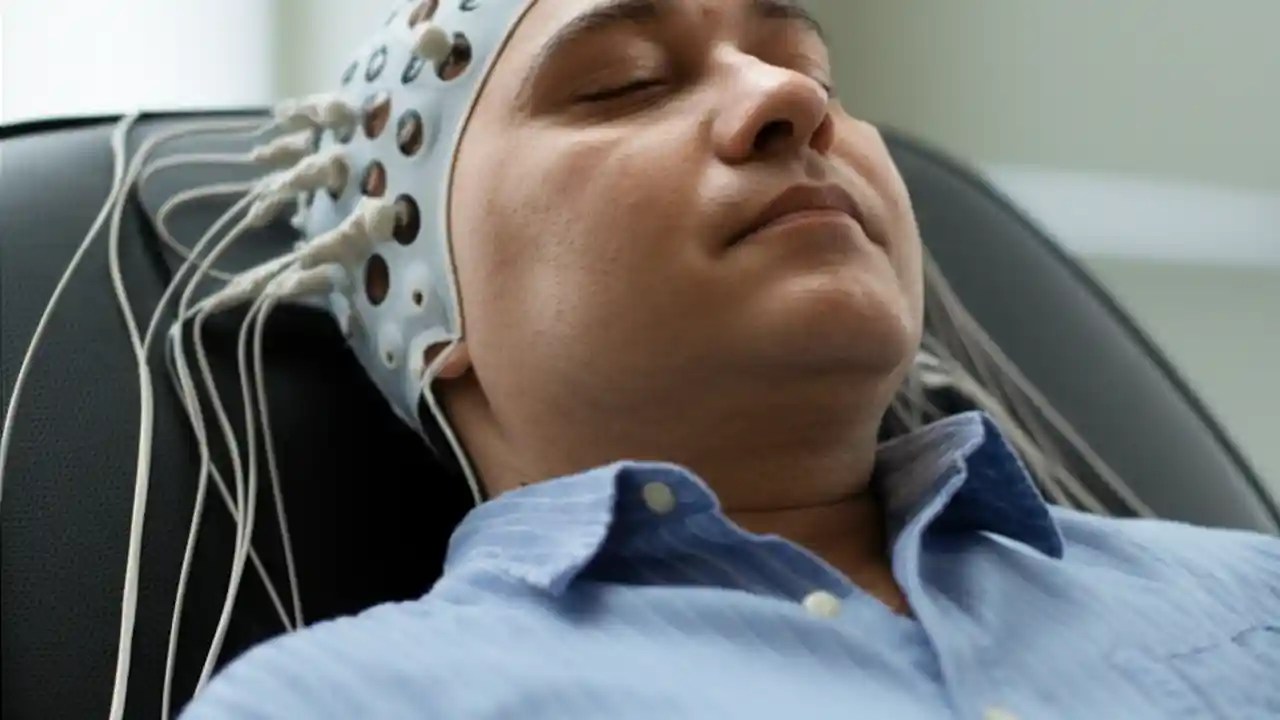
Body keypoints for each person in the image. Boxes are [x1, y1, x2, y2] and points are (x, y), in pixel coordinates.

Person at [182, 0, 1280, 717]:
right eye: (621, 85)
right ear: (422, 297)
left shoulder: (1254, 598)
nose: (789, 100)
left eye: (808, 68)